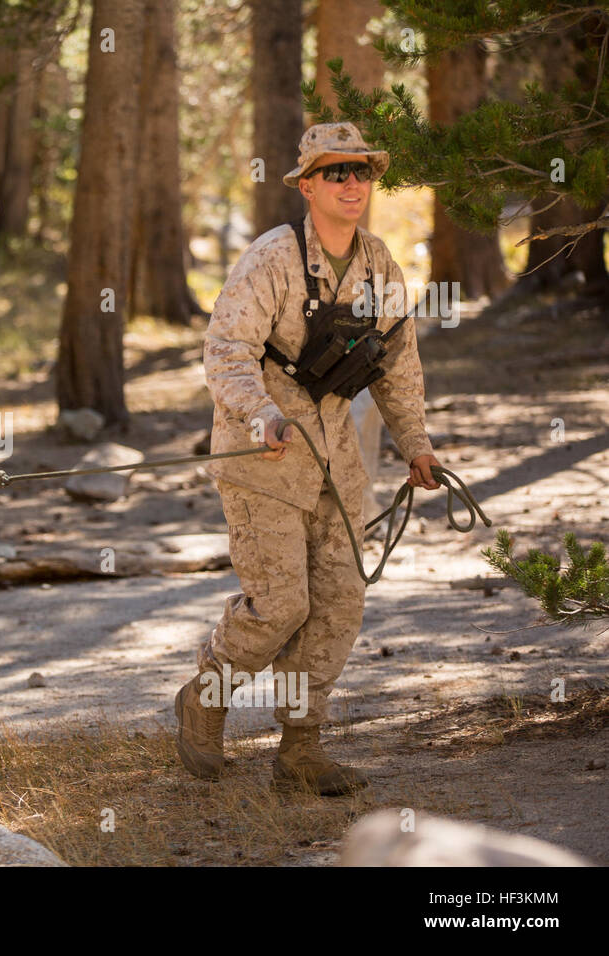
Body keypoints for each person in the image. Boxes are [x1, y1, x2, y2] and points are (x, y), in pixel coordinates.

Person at [174, 122, 442, 795]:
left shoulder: (380, 265)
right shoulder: (272, 259)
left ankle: (300, 750)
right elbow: (226, 352)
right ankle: (205, 695)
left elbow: (397, 366)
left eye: (362, 171)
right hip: (262, 456)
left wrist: (416, 445)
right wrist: (260, 411)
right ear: (309, 185)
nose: (353, 184)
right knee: (281, 605)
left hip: (337, 463)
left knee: (338, 605)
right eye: (336, 172)